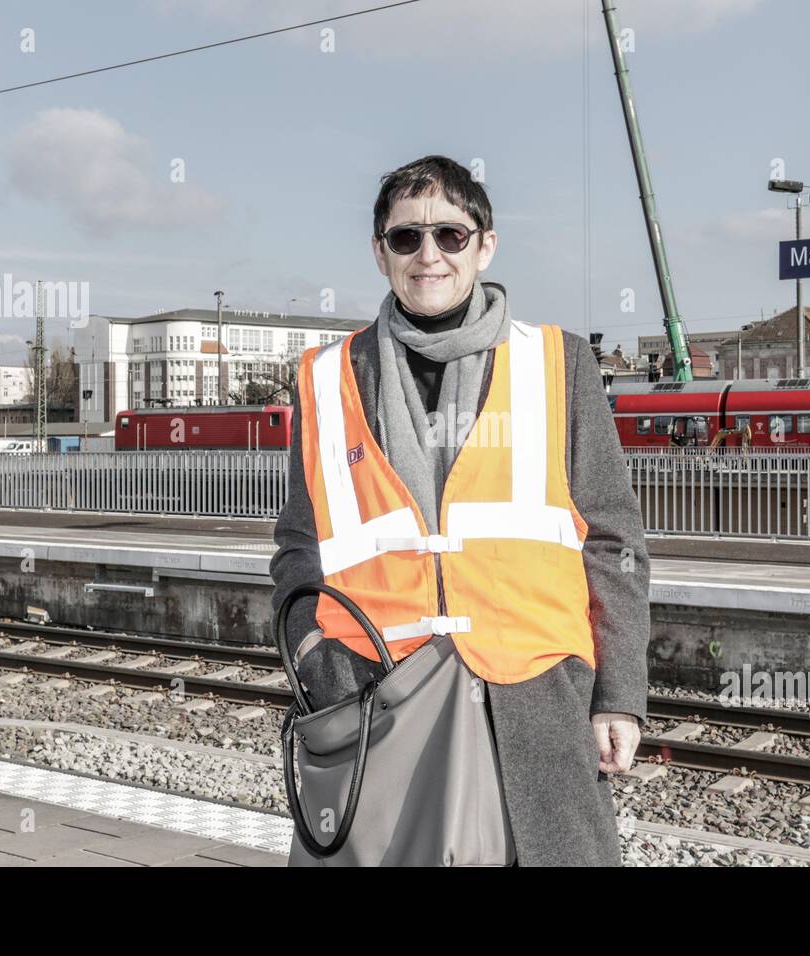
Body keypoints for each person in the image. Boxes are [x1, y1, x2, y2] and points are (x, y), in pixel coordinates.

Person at [270, 154, 652, 866]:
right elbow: (299, 546)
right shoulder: (327, 379)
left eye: (450, 235)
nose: (429, 255)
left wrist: (618, 695)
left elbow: (613, 540)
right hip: (372, 692)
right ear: (380, 253)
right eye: (406, 237)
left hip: (535, 698)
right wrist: (315, 660)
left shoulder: (558, 363)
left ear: (485, 244)